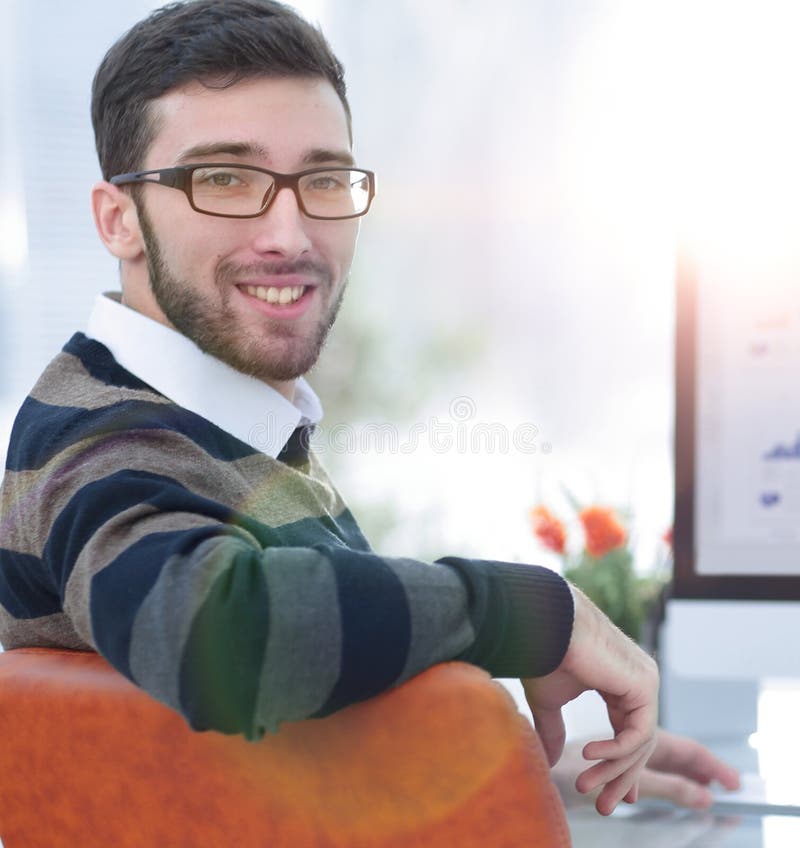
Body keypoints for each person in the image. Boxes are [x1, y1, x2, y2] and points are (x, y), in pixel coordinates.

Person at [0, 0, 737, 817]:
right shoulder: (98, 438)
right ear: (119, 220)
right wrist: (532, 611)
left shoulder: (218, 424)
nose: (289, 232)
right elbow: (220, 639)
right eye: (225, 179)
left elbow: (251, 752)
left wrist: (498, 766)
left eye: (322, 180)